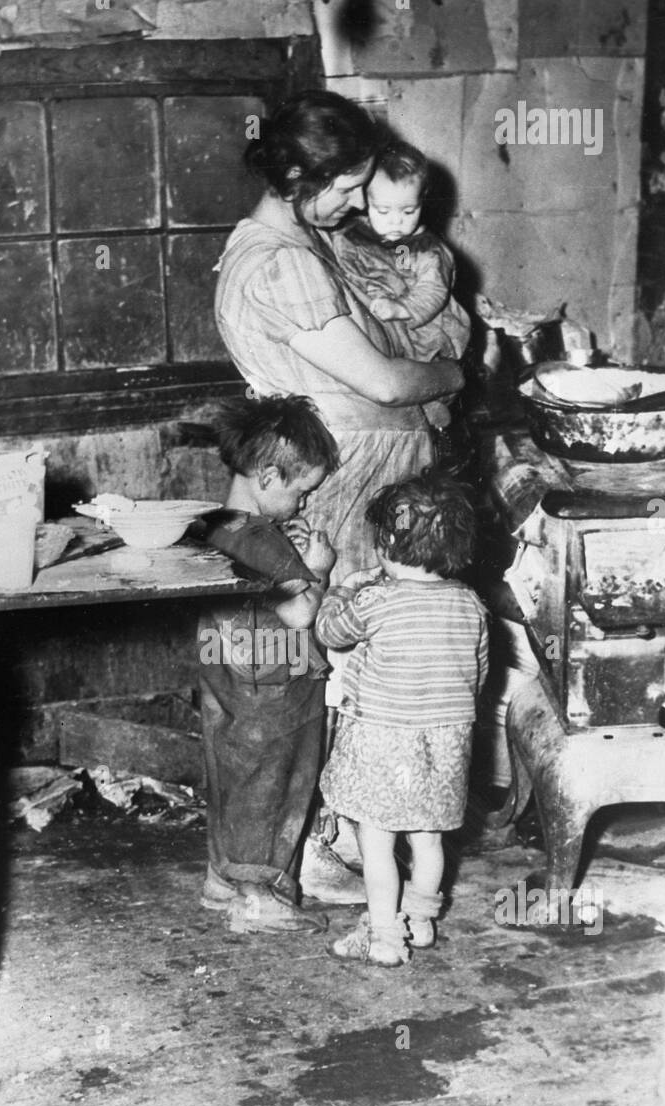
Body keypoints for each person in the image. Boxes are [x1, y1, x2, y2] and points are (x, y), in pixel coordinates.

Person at [214, 90, 463, 903]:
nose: (359, 201)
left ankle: (335, 837)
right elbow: (386, 382)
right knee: (339, 666)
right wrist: (458, 371)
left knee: (338, 658)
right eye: (348, 186)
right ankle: (319, 845)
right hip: (340, 476)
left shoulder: (291, 244)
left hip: (347, 473)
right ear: (296, 175)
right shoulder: (281, 260)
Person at [315, 474, 489, 966]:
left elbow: (330, 632)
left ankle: (387, 937)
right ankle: (422, 921)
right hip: (444, 745)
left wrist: (341, 590)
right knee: (429, 841)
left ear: (388, 543)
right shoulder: (470, 605)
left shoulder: (376, 599)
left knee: (378, 846)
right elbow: (477, 673)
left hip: (383, 744)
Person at [198, 394, 339, 934]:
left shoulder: (214, 525)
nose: (303, 505)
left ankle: (221, 881)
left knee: (229, 774)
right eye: (301, 492)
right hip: (275, 684)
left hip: (225, 674)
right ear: (269, 474)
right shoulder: (267, 542)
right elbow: (300, 614)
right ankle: (256, 898)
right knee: (272, 781)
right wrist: (319, 569)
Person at [331, 137, 471, 434]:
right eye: (383, 211)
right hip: (376, 323)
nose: (396, 221)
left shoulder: (426, 250)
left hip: (419, 326)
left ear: (423, 202)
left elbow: (433, 291)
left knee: (423, 374)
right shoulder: (352, 235)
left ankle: (434, 409)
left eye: (408, 212)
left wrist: (401, 308)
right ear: (364, 201)